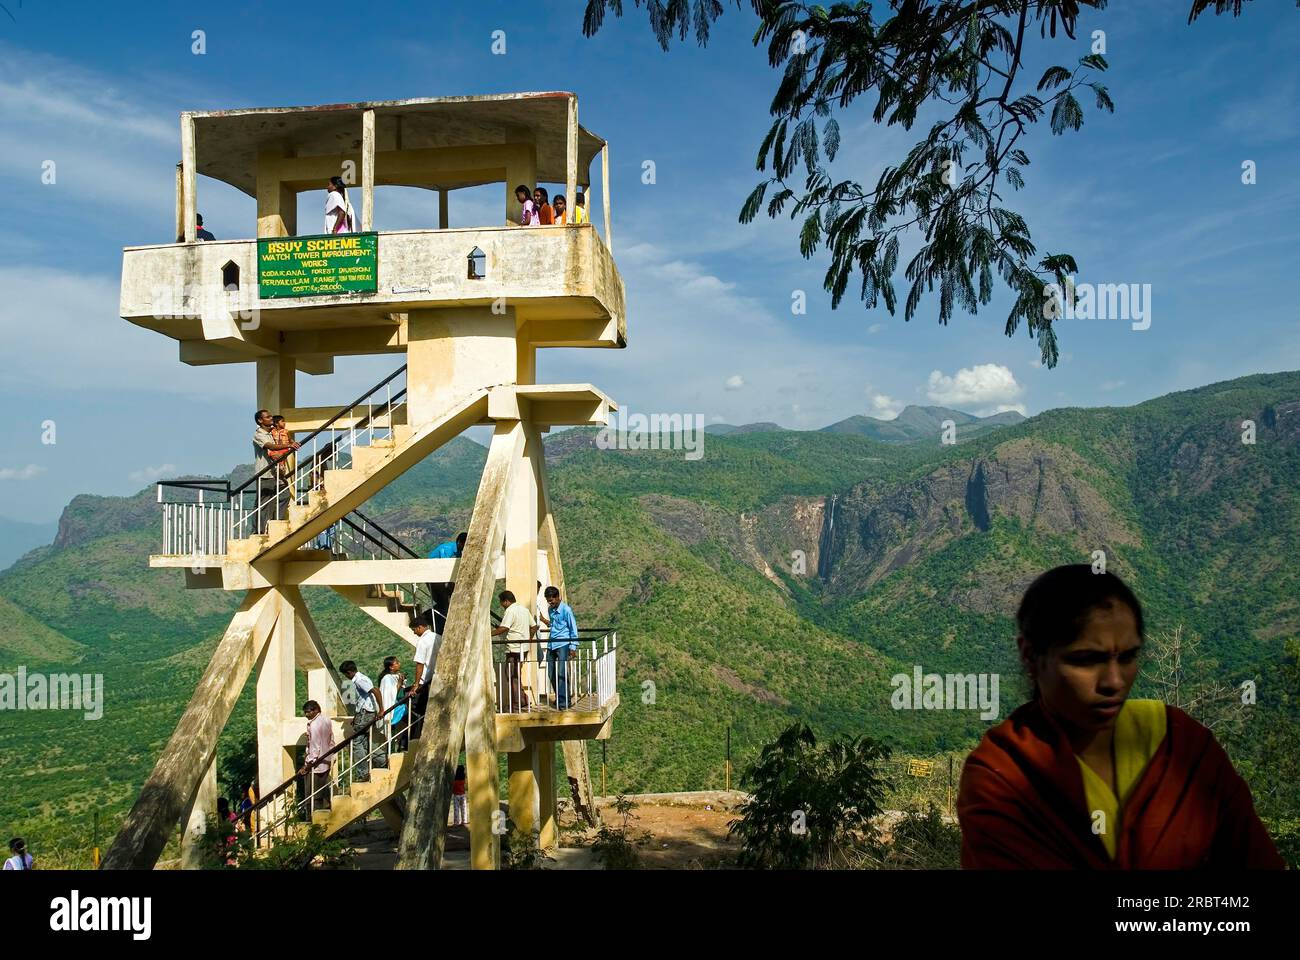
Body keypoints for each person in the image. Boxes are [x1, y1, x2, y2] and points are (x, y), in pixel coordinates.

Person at [958, 565, 1284, 870]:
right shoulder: (1001, 775)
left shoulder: (1180, 742)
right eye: (1087, 660)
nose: (1114, 681)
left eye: (1127, 657)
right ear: (1031, 656)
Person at [252, 409, 299, 534]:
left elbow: (277, 448)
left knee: (285, 495)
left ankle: (275, 522)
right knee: (263, 504)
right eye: (267, 417)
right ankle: (258, 531)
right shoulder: (259, 434)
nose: (271, 418)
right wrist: (288, 446)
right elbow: (270, 446)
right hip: (265, 474)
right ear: (260, 420)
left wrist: (289, 444)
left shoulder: (272, 433)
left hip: (276, 473)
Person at [341, 660, 386, 782]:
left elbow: (375, 691)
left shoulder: (360, 681)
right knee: (364, 742)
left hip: (366, 713)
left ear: (349, 672)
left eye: (346, 675)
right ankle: (381, 760)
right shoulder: (362, 678)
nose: (347, 677)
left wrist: (381, 709)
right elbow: (363, 700)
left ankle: (363, 773)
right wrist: (356, 716)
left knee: (356, 742)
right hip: (364, 713)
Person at [492, 590, 534, 712]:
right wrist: (529, 639)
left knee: (511, 676)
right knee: (516, 675)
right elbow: (534, 626)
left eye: (502, 603)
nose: (502, 605)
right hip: (523, 648)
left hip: (514, 649)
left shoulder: (510, 611)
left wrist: (489, 634)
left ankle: (516, 705)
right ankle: (523, 700)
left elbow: (504, 628)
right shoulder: (524, 610)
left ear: (506, 601)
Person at [544, 586, 579, 709]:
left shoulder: (566, 610)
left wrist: (573, 646)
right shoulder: (550, 610)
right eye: (548, 601)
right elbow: (553, 625)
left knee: (561, 672)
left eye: (552, 600)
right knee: (551, 673)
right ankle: (561, 697)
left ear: (558, 597)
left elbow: (573, 628)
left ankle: (564, 703)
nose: (550, 603)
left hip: (563, 644)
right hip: (551, 643)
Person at [297, 700, 334, 816]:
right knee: (323, 789)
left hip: (316, 764)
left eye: (308, 712)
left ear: (316, 710)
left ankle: (314, 819)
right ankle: (327, 812)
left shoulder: (314, 725)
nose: (306, 715)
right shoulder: (326, 720)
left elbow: (315, 748)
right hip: (326, 759)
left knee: (313, 794)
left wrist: (307, 766)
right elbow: (331, 740)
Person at [408, 615, 439, 740]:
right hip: (436, 678)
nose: (415, 633)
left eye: (415, 630)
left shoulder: (422, 641)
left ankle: (420, 736)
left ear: (420, 627)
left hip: (425, 681)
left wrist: (416, 684)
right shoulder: (439, 637)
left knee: (417, 707)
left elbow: (419, 664)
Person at [378, 655, 408, 752]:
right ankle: (394, 751)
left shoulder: (393, 677)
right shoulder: (387, 678)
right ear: (391, 667)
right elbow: (392, 694)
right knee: (391, 731)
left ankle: (399, 747)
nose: (399, 664)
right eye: (396, 662)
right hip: (392, 707)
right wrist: (399, 682)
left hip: (396, 705)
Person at [269, 414, 296, 483]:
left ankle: (281, 472)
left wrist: (294, 444)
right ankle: (278, 473)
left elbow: (290, 440)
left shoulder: (286, 431)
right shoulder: (272, 431)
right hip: (276, 449)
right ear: (276, 423)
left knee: (281, 460)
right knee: (272, 455)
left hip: (284, 448)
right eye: (282, 421)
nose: (284, 423)